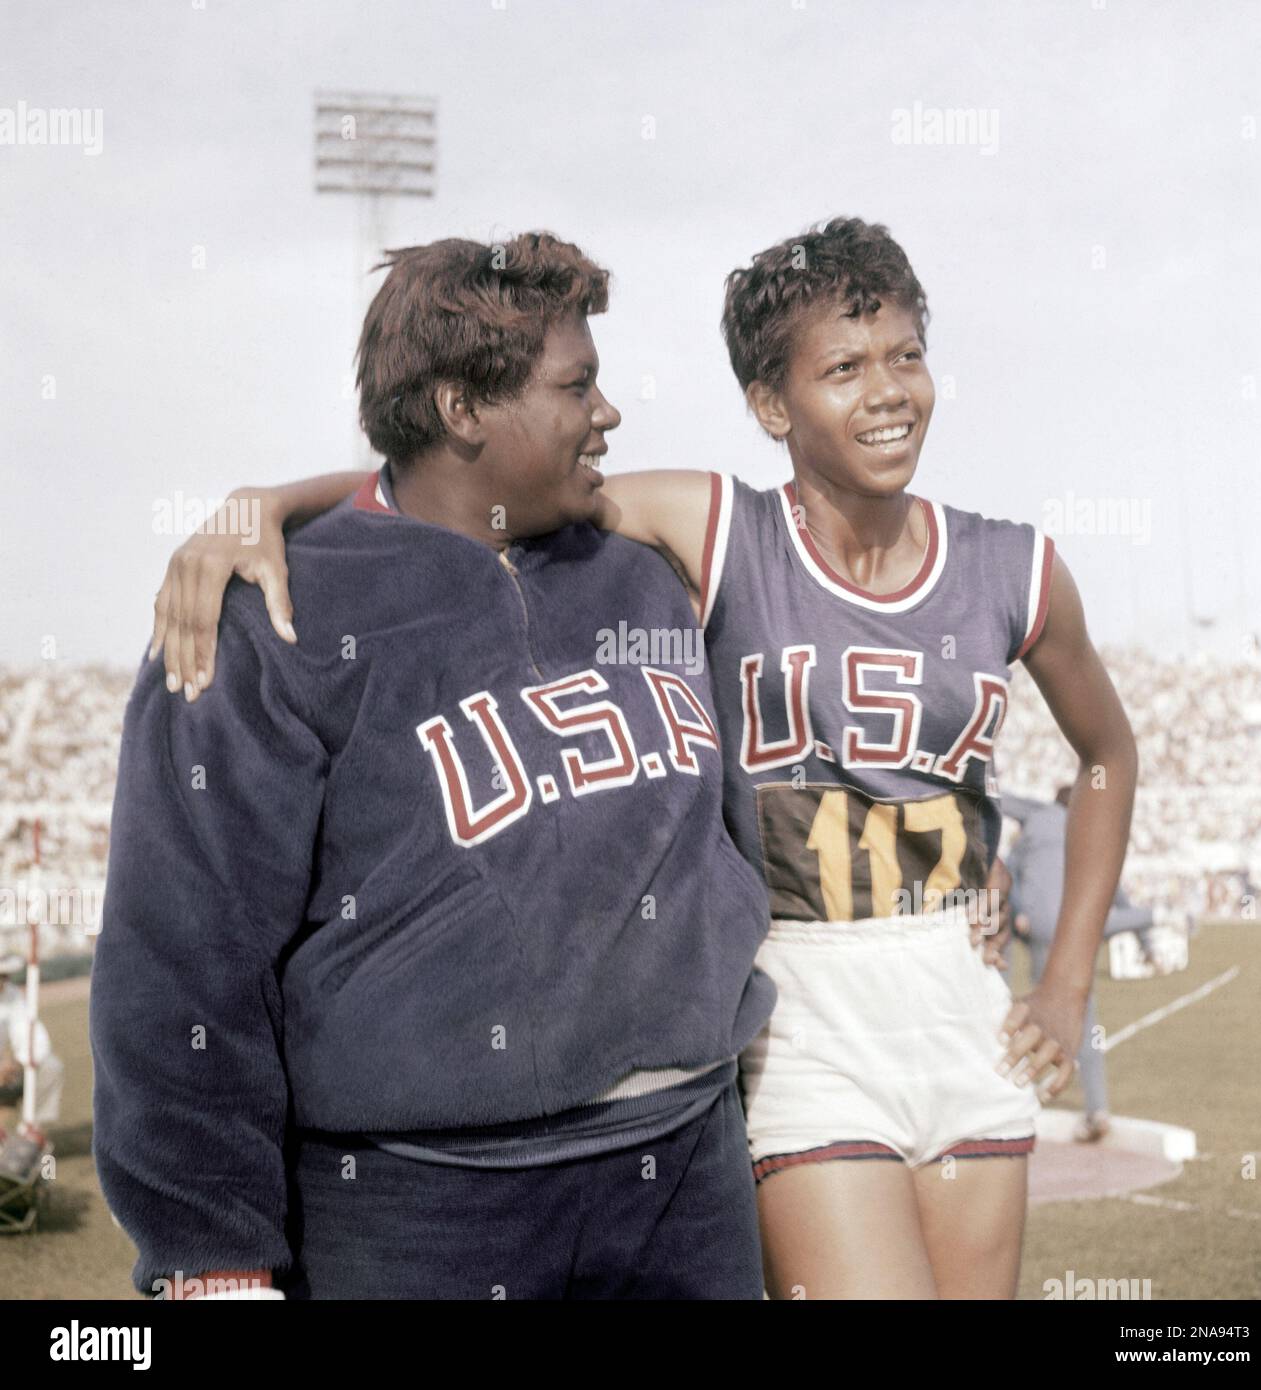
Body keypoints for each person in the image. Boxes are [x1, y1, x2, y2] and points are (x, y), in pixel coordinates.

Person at [147, 217, 1138, 1299]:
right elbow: (450, 485)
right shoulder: (713, 529)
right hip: (794, 1018)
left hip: (928, 1004)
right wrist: (266, 504)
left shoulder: (1005, 563)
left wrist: (1067, 975)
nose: (887, 389)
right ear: (770, 405)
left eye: (905, 355)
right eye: (844, 367)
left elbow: (1106, 752)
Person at [91, 233, 781, 1301]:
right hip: (417, 1210)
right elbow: (182, 956)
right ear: (462, 408)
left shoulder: (642, 575)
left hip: (686, 1174)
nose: (607, 413)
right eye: (577, 386)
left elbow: (728, 835)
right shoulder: (270, 612)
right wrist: (213, 1258)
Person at [1001, 788, 1157, 1142]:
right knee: (1082, 1014)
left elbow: (1007, 875)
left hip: (1041, 928)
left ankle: (1017, 1096)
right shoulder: (1090, 827)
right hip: (1078, 926)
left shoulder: (1035, 825)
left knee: (1033, 1011)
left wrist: (1023, 911)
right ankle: (1097, 1108)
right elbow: (1113, 889)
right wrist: (1144, 939)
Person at [0, 950, 63, 1179]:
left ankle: (31, 1133)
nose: (4, 981)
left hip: (6, 1071)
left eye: (5, 976)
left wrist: (17, 1062)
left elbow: (33, 1039)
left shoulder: (12, 996)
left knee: (50, 1066)